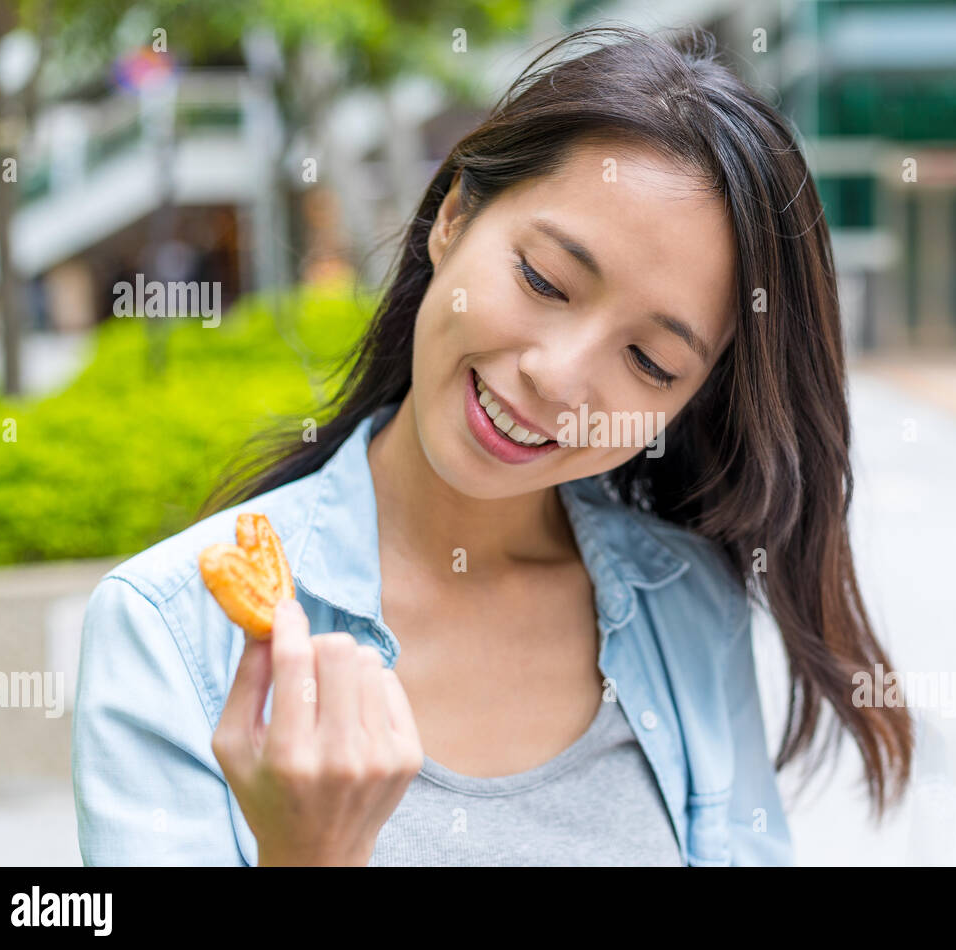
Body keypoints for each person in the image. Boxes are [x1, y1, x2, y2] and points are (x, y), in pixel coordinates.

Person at [72, 24, 913, 867]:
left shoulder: (689, 601)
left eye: (651, 362)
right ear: (454, 217)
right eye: (545, 279)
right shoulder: (172, 633)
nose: (557, 377)